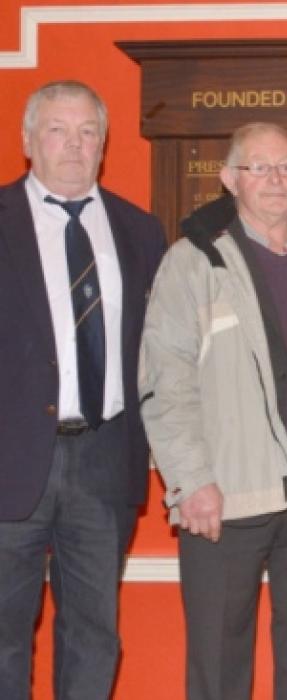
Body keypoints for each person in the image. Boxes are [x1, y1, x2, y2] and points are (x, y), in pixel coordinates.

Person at [139, 122, 287, 700]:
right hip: (227, 484)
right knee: (219, 657)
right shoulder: (192, 261)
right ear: (229, 179)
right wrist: (190, 480)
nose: (274, 179)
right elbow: (168, 379)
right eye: (258, 167)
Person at [0, 80, 166, 699]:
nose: (73, 146)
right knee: (4, 637)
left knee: (94, 635)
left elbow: (157, 352)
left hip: (105, 459)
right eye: (57, 131)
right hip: (12, 462)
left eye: (87, 132)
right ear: (27, 141)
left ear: (103, 143)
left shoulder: (140, 230)